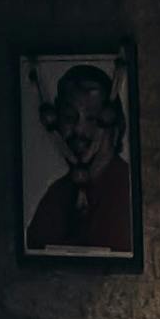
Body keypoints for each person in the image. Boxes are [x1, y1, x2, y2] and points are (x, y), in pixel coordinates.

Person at [28, 61, 134, 252]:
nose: (79, 129)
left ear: (115, 127)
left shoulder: (127, 190)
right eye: (69, 117)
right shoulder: (56, 195)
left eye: (93, 119)